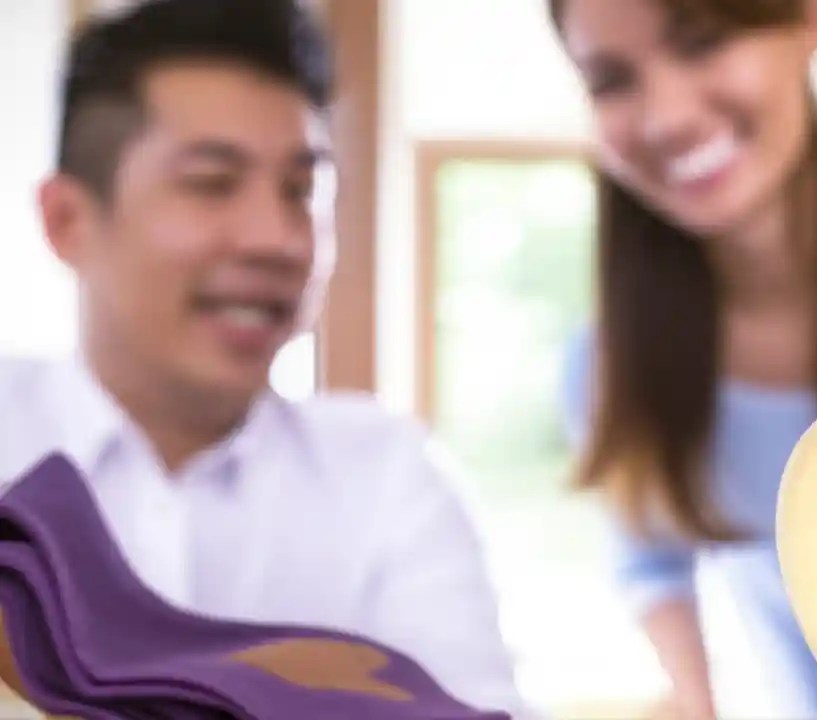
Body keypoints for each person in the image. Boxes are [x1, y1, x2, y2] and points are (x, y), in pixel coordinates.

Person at [0, 1, 528, 716]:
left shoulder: (388, 477)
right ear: (68, 221)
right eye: (212, 183)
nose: (276, 238)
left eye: (301, 191)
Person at [550, 0, 817, 717]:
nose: (667, 117)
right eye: (610, 81)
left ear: (809, 22)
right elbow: (652, 565)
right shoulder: (606, 368)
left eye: (702, 43)